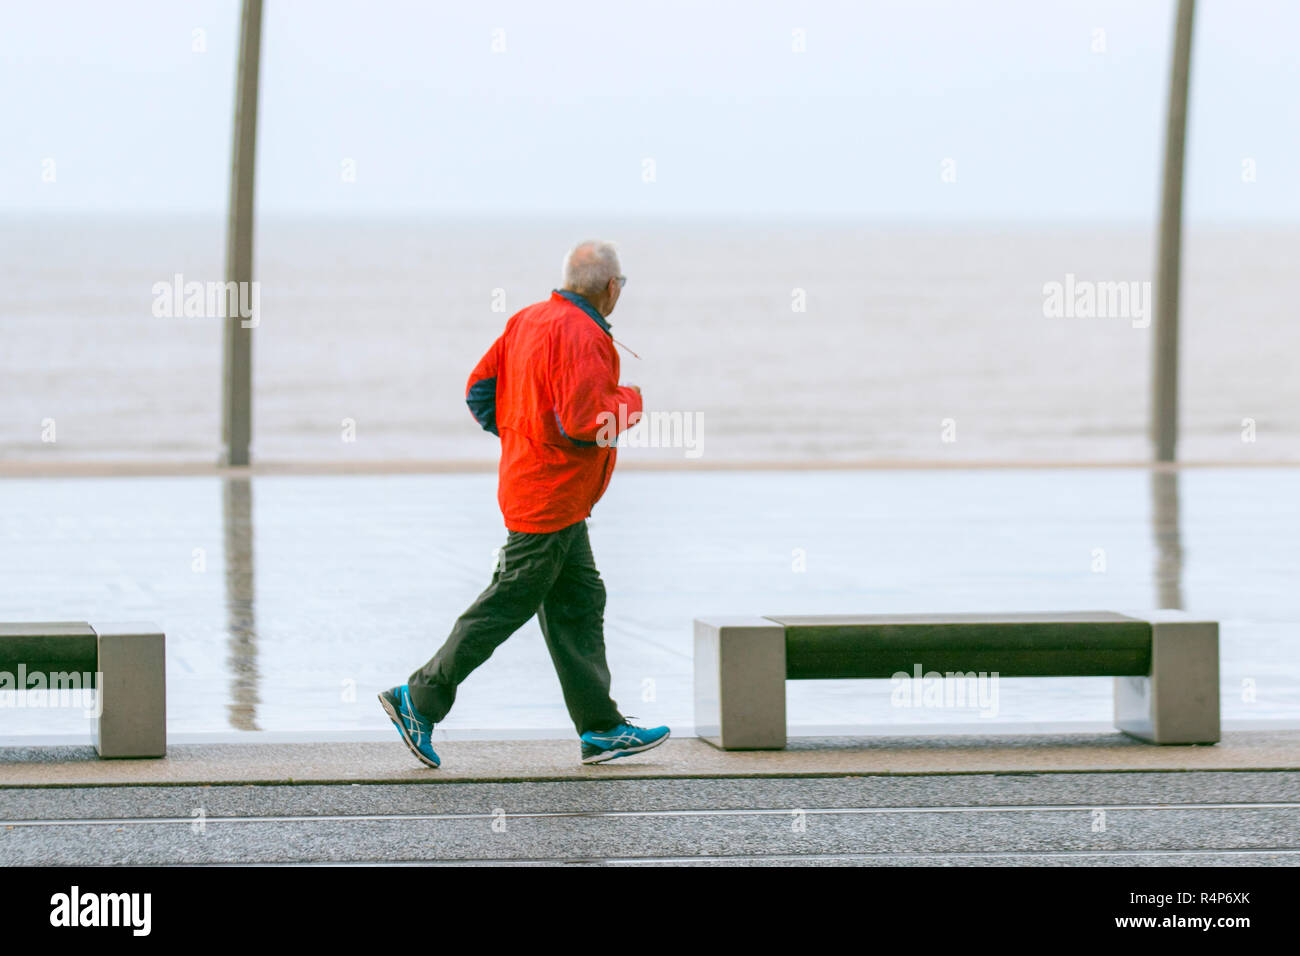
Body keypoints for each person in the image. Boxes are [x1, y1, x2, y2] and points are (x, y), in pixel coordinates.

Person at [380, 240, 670, 767]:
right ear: (611, 287)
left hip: (546, 492)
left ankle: (601, 729)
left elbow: (478, 391)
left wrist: (520, 440)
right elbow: (586, 422)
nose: (620, 293)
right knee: (508, 601)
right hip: (549, 499)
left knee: (580, 603)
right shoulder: (583, 335)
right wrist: (631, 401)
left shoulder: (526, 321)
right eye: (622, 285)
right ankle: (418, 699)